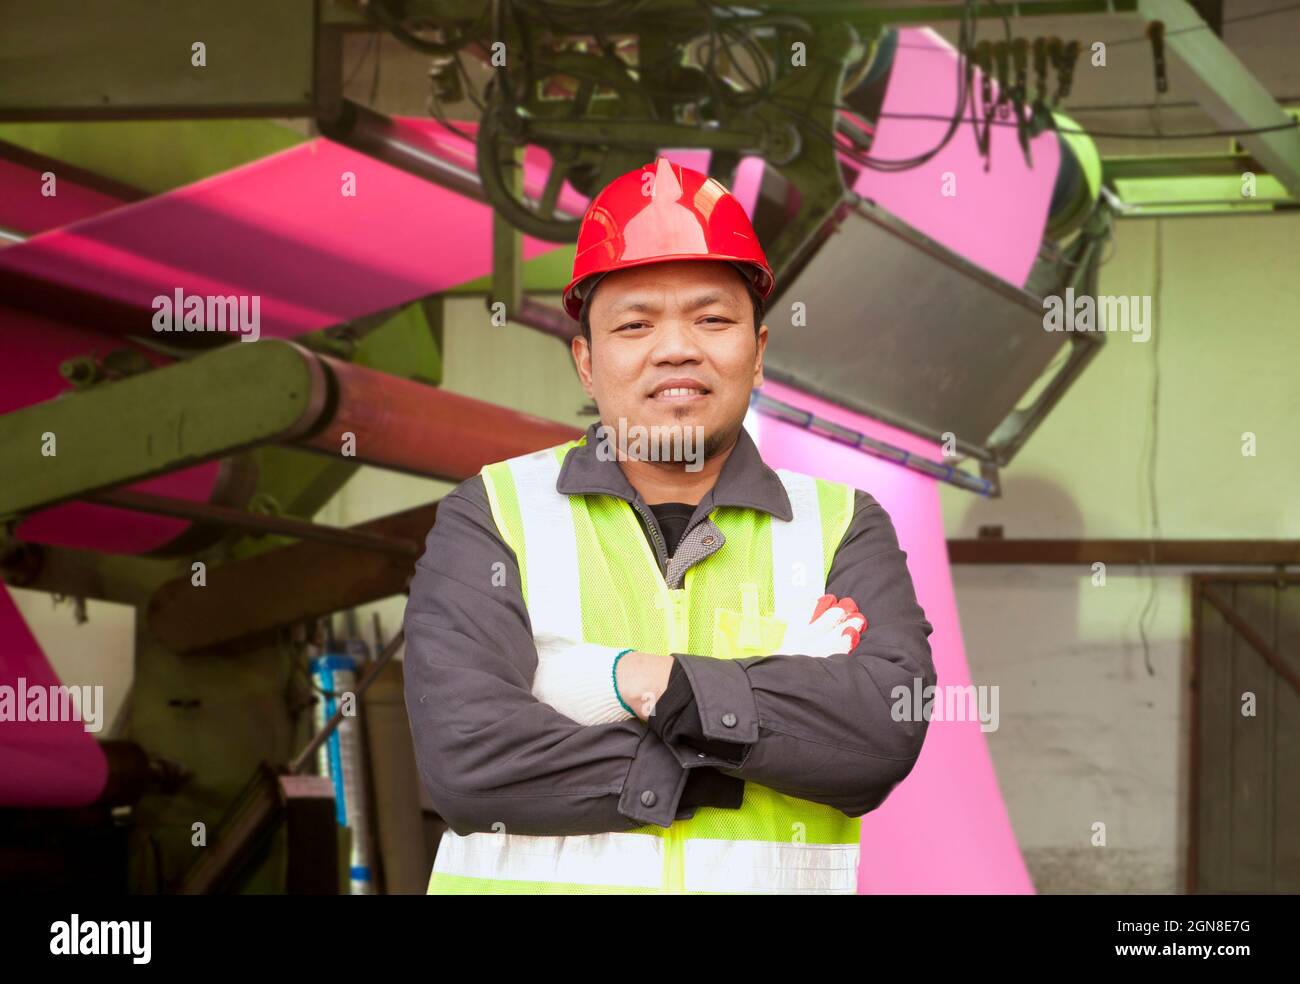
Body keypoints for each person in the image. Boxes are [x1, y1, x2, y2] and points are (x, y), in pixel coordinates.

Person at [403, 156, 936, 894]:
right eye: (636, 322)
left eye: (713, 318)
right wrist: (725, 748)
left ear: (757, 354)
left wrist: (632, 682)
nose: (678, 347)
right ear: (586, 363)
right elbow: (469, 763)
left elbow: (878, 737)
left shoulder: (844, 525)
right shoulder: (493, 512)